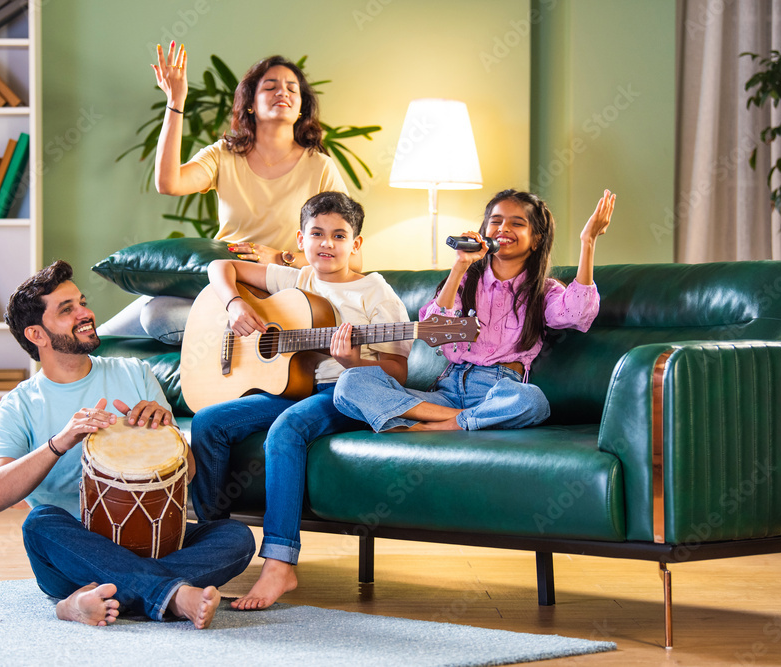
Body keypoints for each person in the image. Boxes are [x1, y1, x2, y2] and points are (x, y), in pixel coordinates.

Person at [0, 260, 255, 629]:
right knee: (40, 523)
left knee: (235, 537)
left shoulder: (135, 374)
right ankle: (172, 594)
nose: (86, 313)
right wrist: (60, 443)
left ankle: (84, 601)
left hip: (155, 540)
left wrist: (167, 434)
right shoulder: (17, 406)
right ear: (37, 335)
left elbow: (188, 472)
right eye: (68, 310)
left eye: (81, 302)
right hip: (74, 550)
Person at [189, 191, 412, 610]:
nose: (326, 243)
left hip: (344, 394)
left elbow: (397, 375)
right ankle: (210, 544)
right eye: (317, 233)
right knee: (208, 423)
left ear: (356, 244)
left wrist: (352, 362)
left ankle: (279, 563)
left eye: (339, 235)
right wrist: (235, 303)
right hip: (291, 389)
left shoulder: (377, 294)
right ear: (301, 239)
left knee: (287, 430)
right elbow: (219, 266)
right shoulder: (297, 281)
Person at [98, 43, 352, 344]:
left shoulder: (320, 167)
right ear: (250, 105)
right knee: (102, 339)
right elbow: (169, 183)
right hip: (223, 284)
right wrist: (175, 102)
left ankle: (257, 335)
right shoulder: (224, 155)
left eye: (291, 89)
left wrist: (282, 258)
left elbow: (354, 258)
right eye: (270, 87)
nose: (282, 92)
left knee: (158, 315)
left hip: (278, 293)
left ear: (301, 109)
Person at [333, 188, 616, 432]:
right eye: (496, 221)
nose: (503, 228)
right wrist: (460, 264)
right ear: (484, 231)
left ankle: (426, 427)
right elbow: (433, 325)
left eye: (517, 223)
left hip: (497, 392)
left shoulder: (544, 290)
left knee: (533, 401)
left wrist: (587, 241)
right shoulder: (466, 280)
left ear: (537, 239)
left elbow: (578, 313)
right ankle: (458, 422)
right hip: (446, 391)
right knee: (349, 383)